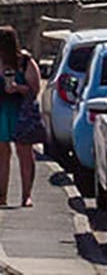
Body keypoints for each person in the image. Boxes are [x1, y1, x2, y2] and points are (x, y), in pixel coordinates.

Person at [0, 26, 40, 207]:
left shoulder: (25, 61)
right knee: (2, 154)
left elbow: (35, 89)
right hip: (2, 111)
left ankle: (27, 195)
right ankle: (2, 196)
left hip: (21, 112)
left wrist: (17, 88)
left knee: (24, 153)